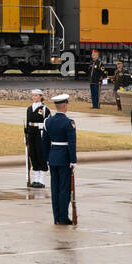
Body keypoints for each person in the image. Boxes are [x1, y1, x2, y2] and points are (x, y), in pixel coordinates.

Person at [43, 92, 77, 224]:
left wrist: (47, 158)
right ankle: (63, 217)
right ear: (64, 105)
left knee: (55, 188)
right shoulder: (69, 123)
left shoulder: (48, 121)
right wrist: (73, 160)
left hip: (53, 157)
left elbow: (44, 142)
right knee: (64, 189)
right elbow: (72, 144)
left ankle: (56, 216)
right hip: (64, 158)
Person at [25, 89, 51, 188]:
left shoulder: (44, 109)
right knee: (33, 154)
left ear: (41, 96)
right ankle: (36, 179)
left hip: (40, 132)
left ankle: (42, 180)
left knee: (41, 154)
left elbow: (48, 123)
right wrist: (27, 135)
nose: (34, 97)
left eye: (36, 95)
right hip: (31, 132)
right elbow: (28, 122)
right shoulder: (29, 108)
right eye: (33, 95)